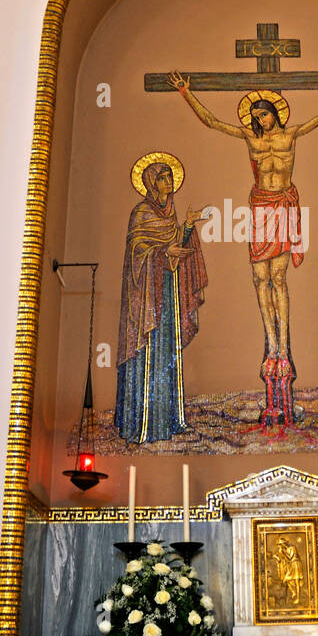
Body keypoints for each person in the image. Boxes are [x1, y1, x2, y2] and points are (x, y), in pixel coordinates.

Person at [168, 70, 318, 386]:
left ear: (274, 113)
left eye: (263, 114)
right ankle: (271, 345)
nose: (259, 120)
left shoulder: (290, 135)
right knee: (259, 277)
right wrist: (185, 93)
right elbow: (211, 122)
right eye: (255, 116)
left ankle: (283, 349)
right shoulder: (251, 138)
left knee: (278, 276)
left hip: (283, 204)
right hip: (261, 205)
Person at [115, 157, 208, 444]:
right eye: (163, 178)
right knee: (150, 353)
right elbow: (137, 252)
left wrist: (188, 227)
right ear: (151, 183)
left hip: (167, 292)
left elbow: (176, 242)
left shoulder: (170, 213)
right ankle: (143, 425)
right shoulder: (141, 213)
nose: (168, 183)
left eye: (170, 177)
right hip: (145, 298)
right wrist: (163, 254)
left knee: (168, 352)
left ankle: (168, 420)